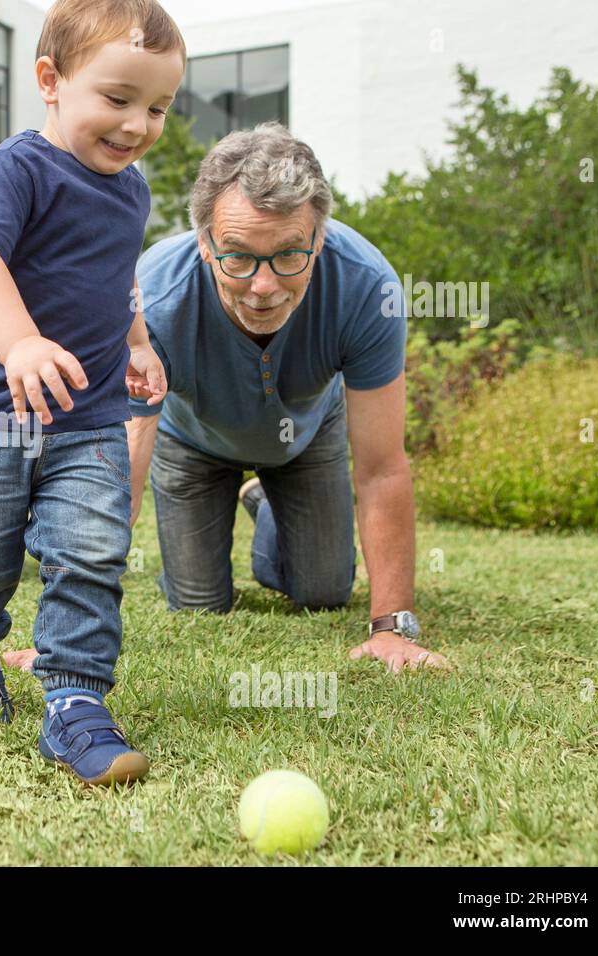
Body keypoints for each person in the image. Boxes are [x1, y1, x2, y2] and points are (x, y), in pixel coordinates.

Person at [0, 0, 185, 786]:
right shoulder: (16, 168)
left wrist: (137, 343)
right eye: (118, 98)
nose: (138, 123)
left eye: (159, 107)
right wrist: (20, 342)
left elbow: (118, 278)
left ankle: (74, 703)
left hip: (91, 416)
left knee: (91, 551)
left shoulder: (131, 190)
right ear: (51, 80)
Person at [123, 123, 450, 673]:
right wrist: (66, 633)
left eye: (288, 255)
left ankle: (266, 505)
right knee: (198, 605)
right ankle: (240, 511)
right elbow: (121, 466)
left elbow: (382, 468)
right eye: (239, 257)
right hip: (191, 442)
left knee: (322, 591)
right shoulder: (152, 300)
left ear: (318, 238)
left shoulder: (369, 289)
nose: (264, 286)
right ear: (204, 243)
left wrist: (393, 628)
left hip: (307, 434)